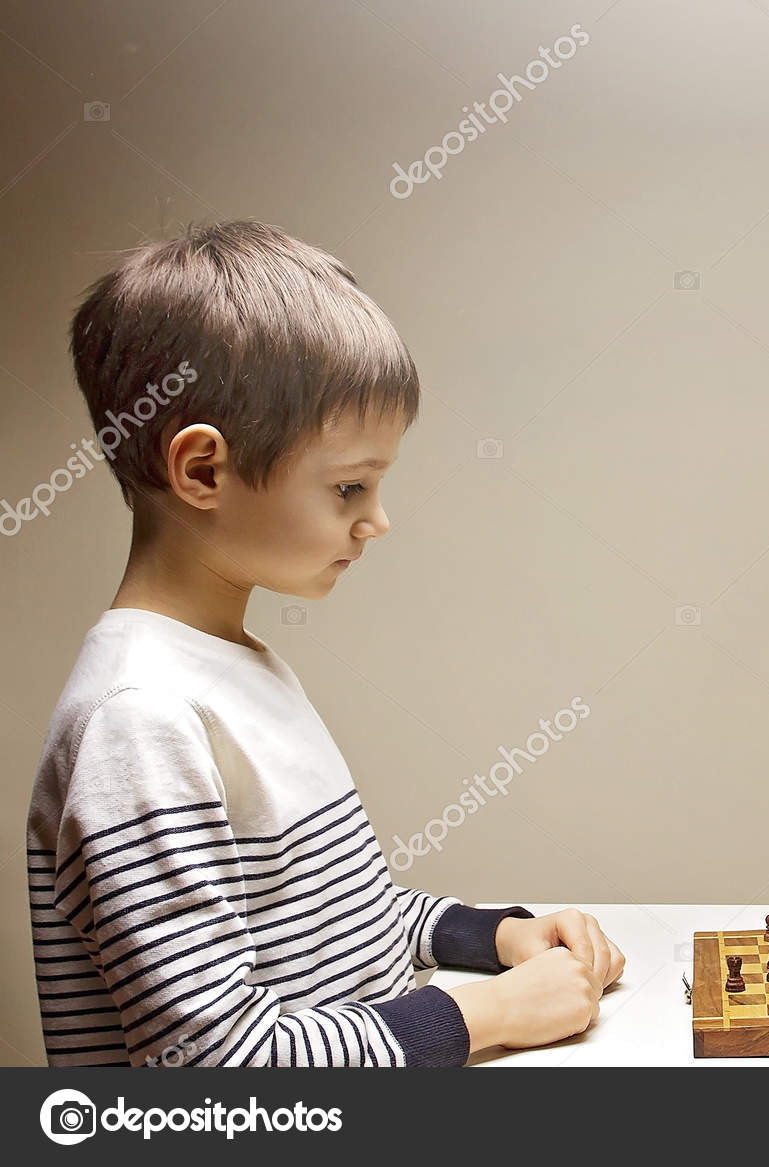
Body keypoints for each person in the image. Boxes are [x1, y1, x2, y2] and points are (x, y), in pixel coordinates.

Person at [27, 219, 623, 1066]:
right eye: (349, 486)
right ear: (201, 471)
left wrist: (490, 937)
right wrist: (482, 1016)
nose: (377, 520)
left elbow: (338, 925)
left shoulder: (234, 666)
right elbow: (217, 1063)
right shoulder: (142, 721)